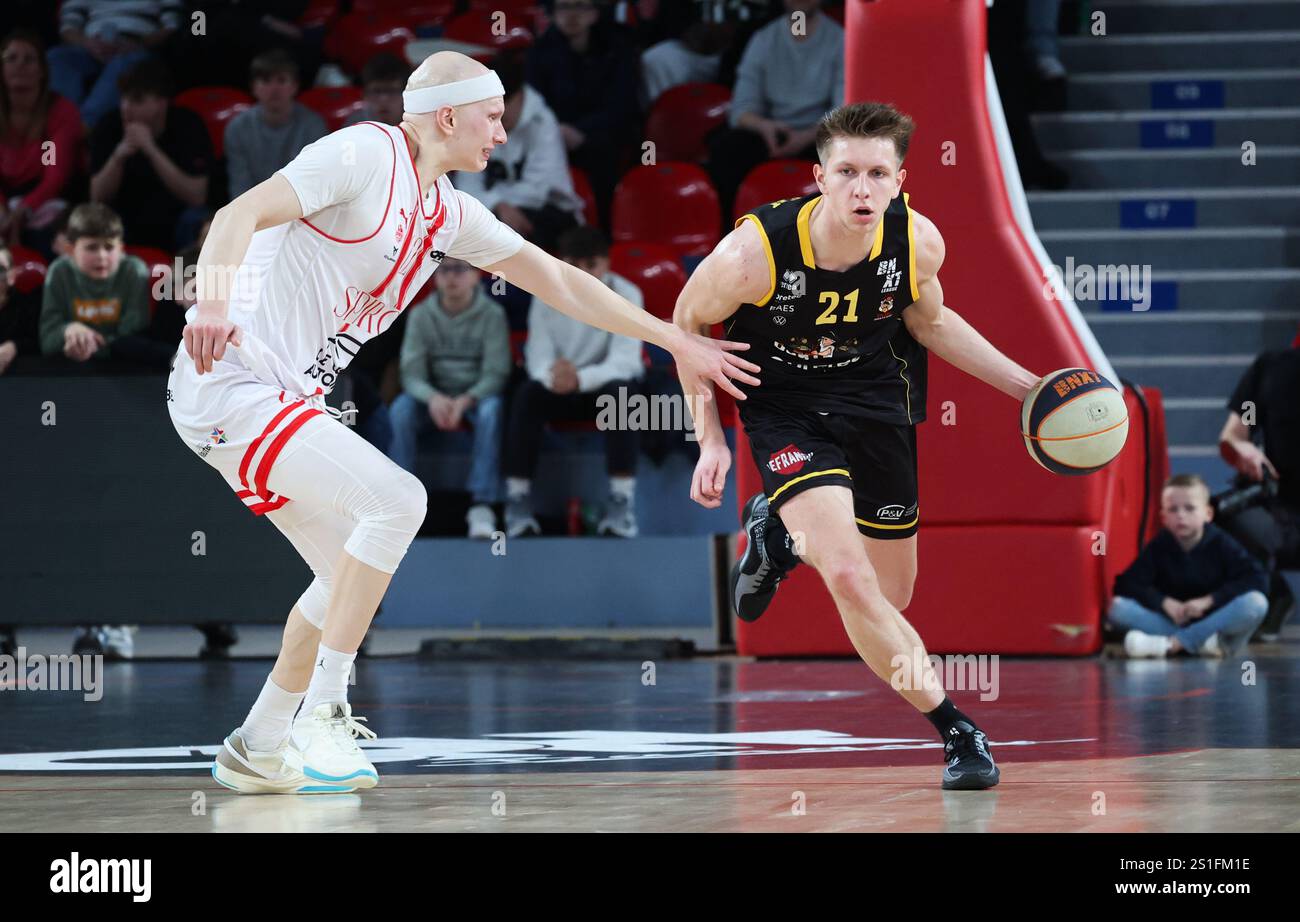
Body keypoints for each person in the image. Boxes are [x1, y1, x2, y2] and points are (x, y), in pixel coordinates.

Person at [172, 50, 757, 795]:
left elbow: (559, 280)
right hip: (234, 382)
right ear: (446, 116)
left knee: (345, 575)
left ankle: (257, 743)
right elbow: (236, 213)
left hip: (284, 398)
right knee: (399, 501)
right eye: (493, 118)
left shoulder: (447, 211)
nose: (503, 136)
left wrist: (674, 338)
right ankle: (323, 713)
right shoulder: (362, 152)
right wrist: (214, 303)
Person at [674, 102, 1046, 790]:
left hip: (877, 402)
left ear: (901, 181)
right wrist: (709, 439)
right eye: (846, 172)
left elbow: (931, 324)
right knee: (848, 577)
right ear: (818, 177)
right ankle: (958, 729)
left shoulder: (917, 242)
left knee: (892, 593)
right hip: (786, 410)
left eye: (878, 173)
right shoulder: (754, 253)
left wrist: (1029, 388)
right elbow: (686, 323)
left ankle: (779, 538)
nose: (862, 189)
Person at [505, 226, 646, 538]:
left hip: (599, 388)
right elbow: (537, 358)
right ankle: (517, 498)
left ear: (606, 264)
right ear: (561, 262)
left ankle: (622, 501)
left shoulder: (629, 293)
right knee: (526, 394)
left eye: (591, 265)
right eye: (574, 264)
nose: (582, 273)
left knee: (623, 394)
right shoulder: (545, 295)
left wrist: (579, 378)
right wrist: (552, 376)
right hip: (559, 387)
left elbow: (625, 362)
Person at [389, 257, 512, 538]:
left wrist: (466, 399)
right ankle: (398, 500)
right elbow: (411, 373)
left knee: (492, 411)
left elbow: (497, 372)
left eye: (460, 269)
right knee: (400, 411)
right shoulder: (420, 315)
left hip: (475, 397)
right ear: (434, 277)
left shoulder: (492, 314)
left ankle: (482, 504)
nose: (452, 277)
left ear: (476, 276)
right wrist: (433, 398)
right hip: (432, 398)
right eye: (444, 270)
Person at [705, 0, 842, 218]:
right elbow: (742, 106)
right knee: (727, 149)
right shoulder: (763, 39)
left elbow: (843, 110)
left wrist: (806, 136)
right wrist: (765, 127)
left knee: (845, 153)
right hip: (771, 131)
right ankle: (734, 234)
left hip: (820, 134)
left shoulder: (840, 40)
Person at [1109, 474, 1268, 658]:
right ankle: (1199, 645)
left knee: (1256, 603)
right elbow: (1127, 584)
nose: (1181, 516)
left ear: (1208, 514)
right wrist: (1163, 602)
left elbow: (1256, 579)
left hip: (1213, 624)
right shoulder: (1160, 545)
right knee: (1117, 608)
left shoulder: (1222, 543)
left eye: (1190, 508)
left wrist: (1210, 601)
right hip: (1178, 624)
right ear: (1163, 517)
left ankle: (1175, 644)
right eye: (1173, 510)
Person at [452, 51, 585, 252]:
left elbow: (536, 191)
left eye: (502, 106)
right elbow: (466, 185)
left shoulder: (542, 123)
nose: (495, 116)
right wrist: (497, 204)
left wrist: (497, 205)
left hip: (549, 212)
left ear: (520, 94)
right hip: (493, 211)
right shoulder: (474, 123)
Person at [1217, 342, 1300, 640]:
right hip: (1280, 507)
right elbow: (1233, 437)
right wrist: (1244, 451)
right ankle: (1275, 595)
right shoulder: (1272, 367)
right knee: (1216, 517)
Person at [88, 59, 211, 251]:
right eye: (124, 99)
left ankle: (190, 277)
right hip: (125, 216)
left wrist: (151, 150)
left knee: (198, 219)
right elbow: (97, 197)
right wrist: (117, 158)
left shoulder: (188, 125)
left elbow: (196, 197)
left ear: (161, 103)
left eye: (137, 100)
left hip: (176, 215)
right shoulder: (109, 126)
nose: (126, 107)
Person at [37, 202, 151, 366]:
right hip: (69, 370)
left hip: (124, 369)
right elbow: (47, 342)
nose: (102, 256)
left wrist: (88, 344)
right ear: (70, 250)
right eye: (91, 248)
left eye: (109, 247)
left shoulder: (134, 271)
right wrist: (68, 330)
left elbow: (136, 337)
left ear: (121, 249)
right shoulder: (58, 272)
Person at [0, 30, 82, 253]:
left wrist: (22, 210)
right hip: (6, 199)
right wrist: (4, 210)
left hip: (47, 199)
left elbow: (54, 177)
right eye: (11, 59)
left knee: (48, 232)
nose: (20, 65)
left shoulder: (59, 113)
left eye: (29, 59)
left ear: (41, 71)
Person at [47, 0, 180, 129]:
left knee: (125, 63)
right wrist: (88, 44)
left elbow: (172, 27)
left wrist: (139, 44)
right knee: (58, 56)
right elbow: (68, 27)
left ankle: (84, 128)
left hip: (136, 46)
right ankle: (60, 123)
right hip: (90, 47)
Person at [224, 49, 326, 200]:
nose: (274, 89)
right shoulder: (237, 128)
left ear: (294, 86)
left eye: (281, 80)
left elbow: (315, 185)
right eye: (266, 81)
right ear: (254, 87)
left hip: (301, 210)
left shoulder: (314, 126)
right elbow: (240, 187)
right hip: (253, 211)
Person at [343, 53, 410, 128]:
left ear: (405, 94)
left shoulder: (415, 122)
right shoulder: (355, 124)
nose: (383, 98)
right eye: (376, 91)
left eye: (391, 91)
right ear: (364, 94)